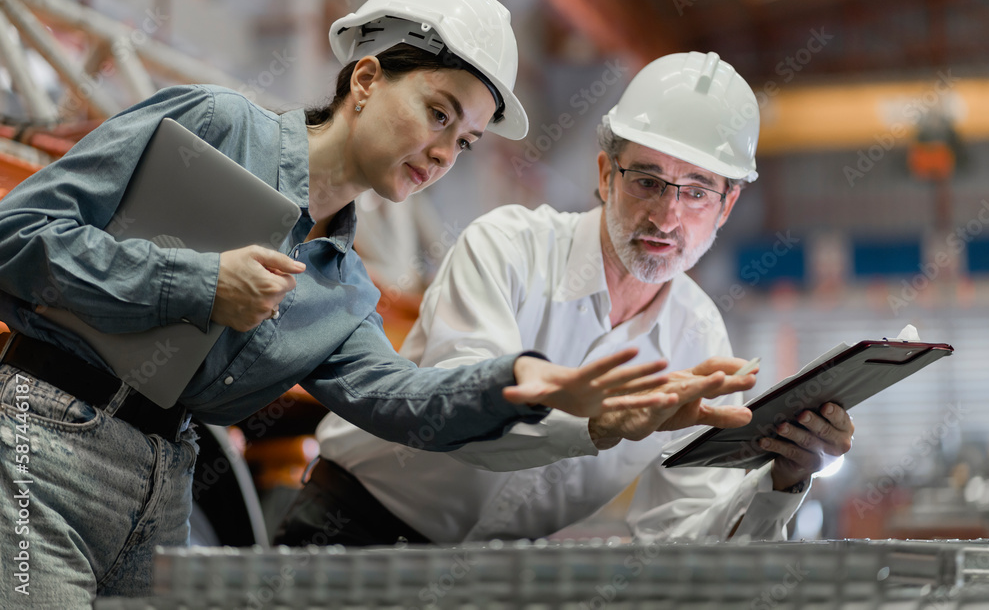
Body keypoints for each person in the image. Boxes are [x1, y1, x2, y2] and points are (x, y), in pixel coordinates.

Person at [0, 0, 719, 607]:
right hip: (48, 444)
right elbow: (16, 233)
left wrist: (529, 384)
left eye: (465, 141)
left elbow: (409, 406)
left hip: (164, 488)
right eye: (439, 113)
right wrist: (199, 284)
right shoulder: (218, 127)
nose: (443, 154)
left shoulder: (342, 293)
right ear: (367, 78)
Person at [276, 51, 856, 547]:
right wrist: (596, 423)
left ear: (725, 207)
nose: (666, 215)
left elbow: (678, 533)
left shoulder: (698, 341)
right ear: (606, 175)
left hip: (498, 576)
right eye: (647, 180)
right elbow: (463, 417)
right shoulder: (506, 250)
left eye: (698, 191)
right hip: (350, 526)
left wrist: (780, 482)